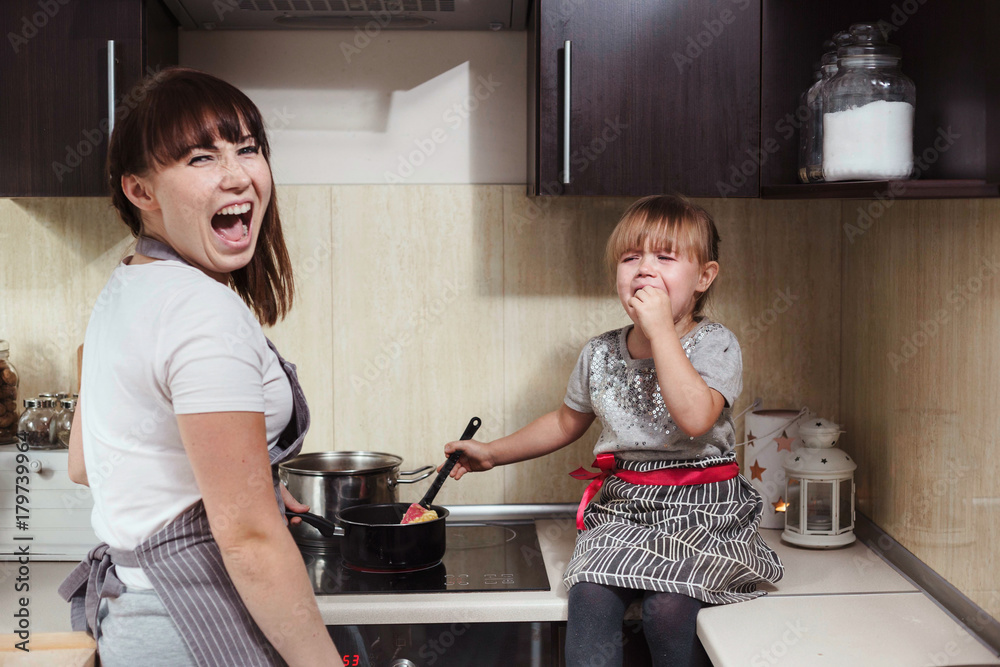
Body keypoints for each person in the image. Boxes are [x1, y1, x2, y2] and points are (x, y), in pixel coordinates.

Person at [59, 67, 341, 666]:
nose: (238, 174)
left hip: (137, 624)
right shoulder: (200, 311)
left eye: (248, 149)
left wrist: (248, 485)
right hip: (194, 626)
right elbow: (249, 539)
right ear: (140, 191)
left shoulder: (128, 284)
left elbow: (85, 465)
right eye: (200, 159)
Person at [442, 195, 783, 666]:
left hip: (703, 513)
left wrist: (662, 332)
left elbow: (696, 418)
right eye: (630, 258)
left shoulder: (714, 344)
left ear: (704, 277)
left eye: (664, 257)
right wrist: (494, 453)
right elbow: (566, 421)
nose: (644, 269)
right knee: (590, 595)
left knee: (667, 608)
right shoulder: (599, 353)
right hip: (624, 510)